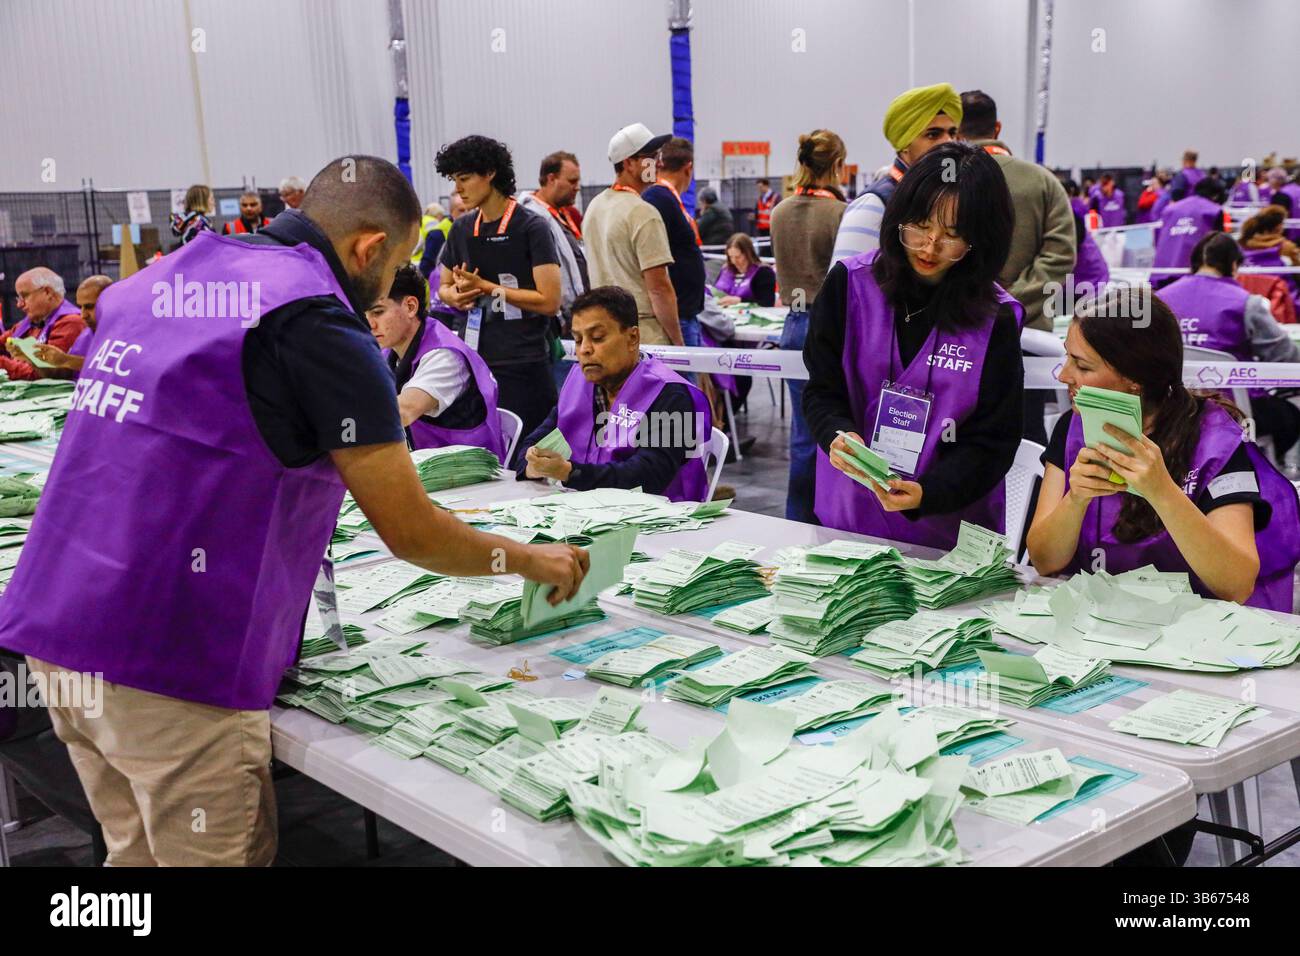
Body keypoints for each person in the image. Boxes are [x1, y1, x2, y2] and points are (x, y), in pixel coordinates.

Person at [0, 155, 589, 867]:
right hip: (167, 660)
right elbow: (410, 531)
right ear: (370, 249)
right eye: (398, 262)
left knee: (133, 858)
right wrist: (533, 559)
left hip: (59, 627)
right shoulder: (316, 324)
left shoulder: (165, 278)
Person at [804, 142, 1024, 548]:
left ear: (982, 242)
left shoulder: (996, 320)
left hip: (948, 535)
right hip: (847, 520)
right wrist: (836, 432)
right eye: (920, 225)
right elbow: (822, 389)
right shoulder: (849, 284)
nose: (929, 245)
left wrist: (931, 492)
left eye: (953, 235)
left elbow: (994, 440)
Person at [1026, 287, 1300, 610]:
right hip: (1100, 625)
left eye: (1082, 366)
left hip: (1193, 635)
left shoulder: (1215, 442)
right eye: (1066, 358)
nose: (1064, 375)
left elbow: (1236, 584)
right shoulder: (1072, 428)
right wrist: (1076, 499)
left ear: (1133, 379)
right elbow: (1044, 561)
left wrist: (1163, 492)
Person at [516, 286, 711, 500]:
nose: (584, 349)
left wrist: (569, 472)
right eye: (579, 339)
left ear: (632, 338)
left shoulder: (671, 394)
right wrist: (534, 464)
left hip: (658, 521)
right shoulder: (578, 384)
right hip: (586, 511)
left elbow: (651, 476)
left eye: (597, 337)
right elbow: (533, 443)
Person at [960, 89, 1074, 444]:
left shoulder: (947, 180)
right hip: (1030, 335)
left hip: (960, 330)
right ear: (997, 127)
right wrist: (1010, 304)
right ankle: (1036, 500)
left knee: (963, 432)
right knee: (1027, 431)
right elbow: (1060, 255)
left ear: (957, 133)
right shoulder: (1043, 181)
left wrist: (979, 304)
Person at [435, 135, 563, 437]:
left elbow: (550, 300)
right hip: (477, 362)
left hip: (525, 362)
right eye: (454, 179)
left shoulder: (532, 227)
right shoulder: (461, 228)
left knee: (534, 455)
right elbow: (443, 287)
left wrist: (488, 288)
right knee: (487, 455)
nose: (457, 189)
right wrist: (457, 296)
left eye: (464, 178)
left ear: (490, 173)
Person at [1160, 233, 1300, 462]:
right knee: (1289, 413)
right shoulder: (1246, 303)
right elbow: (1286, 359)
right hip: (1234, 411)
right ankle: (1269, 469)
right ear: (1234, 265)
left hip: (1171, 409)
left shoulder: (1160, 300)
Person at [770, 128, 847, 523]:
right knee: (837, 432)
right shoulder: (841, 214)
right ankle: (834, 520)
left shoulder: (779, 211)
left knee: (803, 435)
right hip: (829, 327)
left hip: (793, 325)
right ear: (836, 165)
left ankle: (796, 520)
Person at [367, 264, 504, 460]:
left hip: (468, 473)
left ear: (410, 307)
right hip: (427, 465)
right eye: (365, 314)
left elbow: (403, 411)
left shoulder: (445, 356)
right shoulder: (389, 348)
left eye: (378, 312)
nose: (369, 324)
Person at [832, 82, 962, 265]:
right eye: (933, 134)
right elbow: (844, 286)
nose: (948, 142)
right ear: (905, 143)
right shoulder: (874, 205)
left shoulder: (948, 197)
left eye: (952, 133)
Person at [580, 123, 683, 346]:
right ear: (629, 163)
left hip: (605, 332)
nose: (659, 163)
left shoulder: (594, 207)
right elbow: (659, 289)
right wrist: (679, 343)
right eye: (652, 156)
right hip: (644, 332)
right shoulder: (643, 212)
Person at [643, 138, 707, 348]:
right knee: (683, 379)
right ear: (688, 168)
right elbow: (656, 265)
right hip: (677, 315)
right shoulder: (659, 200)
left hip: (685, 312)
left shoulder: (663, 199)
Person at [518, 150, 589, 319]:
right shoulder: (532, 218)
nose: (577, 187)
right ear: (551, 179)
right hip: (557, 317)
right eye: (572, 181)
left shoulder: (563, 213)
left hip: (575, 312)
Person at [1, 268, 87, 381]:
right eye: (18, 298)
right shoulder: (30, 321)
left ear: (47, 292)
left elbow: (44, 373)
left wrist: (2, 363)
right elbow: (3, 342)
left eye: (24, 296)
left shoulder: (71, 322)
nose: (19, 304)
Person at [30, 274, 112, 377]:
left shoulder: (127, 334)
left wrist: (67, 360)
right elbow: (62, 375)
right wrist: (33, 358)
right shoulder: (86, 335)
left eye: (89, 307)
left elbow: (115, 372)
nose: (83, 315)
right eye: (81, 307)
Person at [1150, 176, 1227, 285]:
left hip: (1163, 272)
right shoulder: (1214, 211)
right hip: (1195, 276)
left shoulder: (1170, 209)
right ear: (1215, 196)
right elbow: (1221, 245)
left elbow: (1159, 239)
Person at [1238, 204, 1300, 303]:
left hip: (1246, 298)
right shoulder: (1287, 248)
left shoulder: (1242, 246)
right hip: (1282, 303)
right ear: (1279, 227)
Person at [715, 233, 777, 307]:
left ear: (748, 254)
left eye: (738, 257)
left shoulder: (763, 272)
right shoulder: (725, 270)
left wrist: (740, 300)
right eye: (731, 257)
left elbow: (767, 302)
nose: (734, 261)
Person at [412, 202, 452, 279]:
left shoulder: (422, 219)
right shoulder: (432, 222)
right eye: (441, 215)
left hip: (414, 260)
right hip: (421, 259)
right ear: (437, 214)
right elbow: (431, 238)